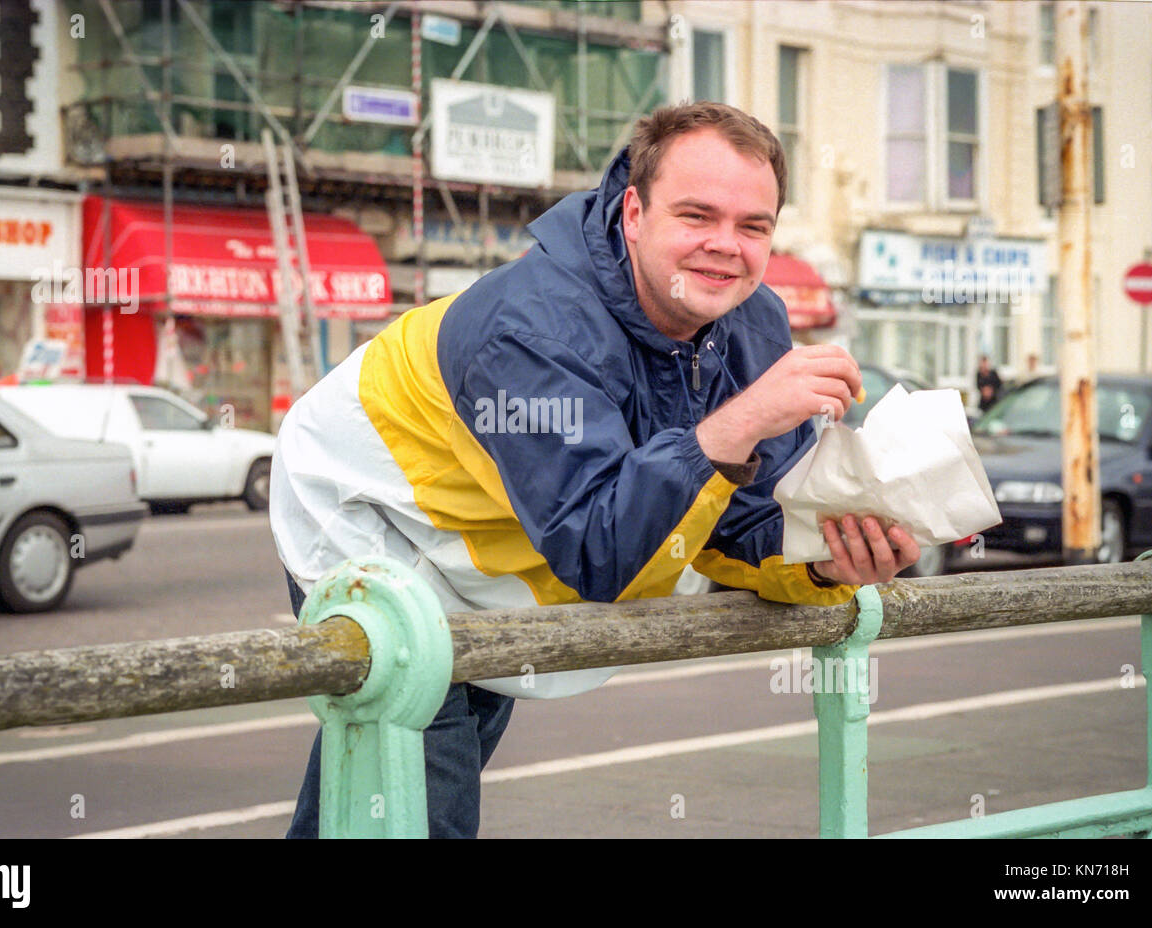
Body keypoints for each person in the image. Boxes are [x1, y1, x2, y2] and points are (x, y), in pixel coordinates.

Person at [270, 101, 921, 838]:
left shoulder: (753, 322)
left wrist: (827, 560)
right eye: (696, 216)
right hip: (365, 507)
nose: (725, 247)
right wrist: (736, 424)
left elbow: (728, 528)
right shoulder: (530, 330)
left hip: (495, 534)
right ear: (635, 212)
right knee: (423, 770)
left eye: (753, 226)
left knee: (412, 758)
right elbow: (599, 555)